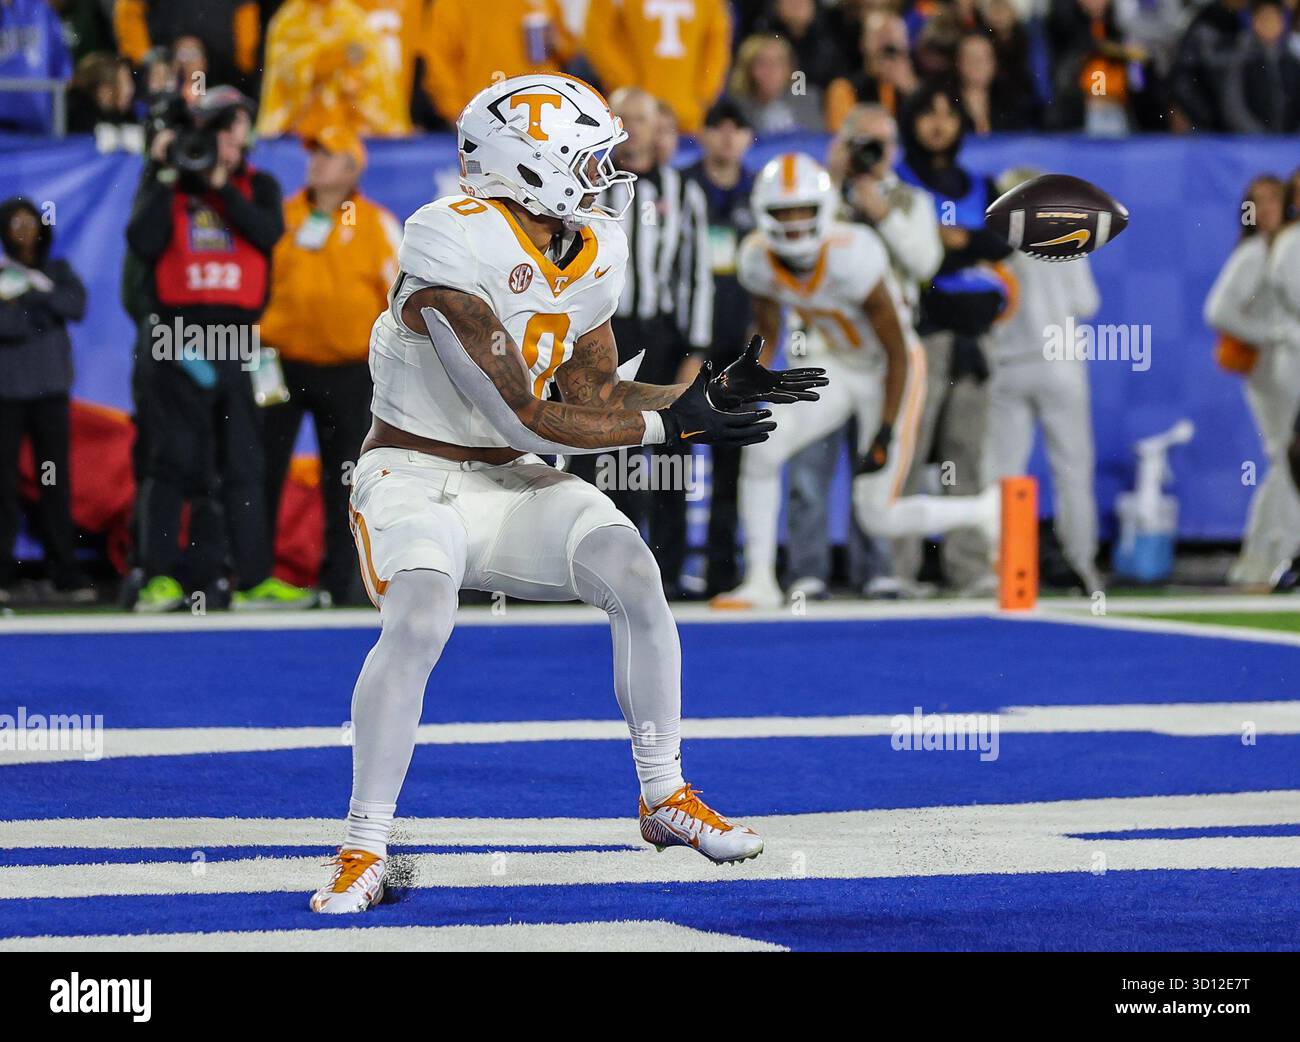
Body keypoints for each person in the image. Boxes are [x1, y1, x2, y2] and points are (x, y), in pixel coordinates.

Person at [307, 74, 826, 913]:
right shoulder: (448, 240)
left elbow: (586, 399)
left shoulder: (591, 246)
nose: (603, 171)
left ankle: (663, 796)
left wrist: (698, 397)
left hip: (511, 475)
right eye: (585, 156)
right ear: (527, 164)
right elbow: (523, 411)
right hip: (413, 475)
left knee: (633, 569)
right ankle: (365, 844)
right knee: (422, 615)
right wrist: (669, 430)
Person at [711, 153, 996, 611]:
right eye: (784, 212)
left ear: (823, 209)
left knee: (877, 515)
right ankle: (760, 581)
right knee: (762, 445)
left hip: (891, 371)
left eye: (803, 209)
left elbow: (898, 349)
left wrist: (883, 431)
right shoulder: (757, 258)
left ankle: (987, 512)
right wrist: (747, 382)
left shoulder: (854, 253)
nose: (794, 221)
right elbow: (768, 329)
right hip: (840, 365)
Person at [125, 87, 312, 611]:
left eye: (237, 131)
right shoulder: (168, 183)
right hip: (176, 335)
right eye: (223, 131)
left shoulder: (259, 185)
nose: (231, 141)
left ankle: (251, 581)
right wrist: (164, 171)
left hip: (239, 339)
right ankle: (157, 581)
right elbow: (142, 241)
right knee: (173, 460)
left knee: (245, 463)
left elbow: (268, 233)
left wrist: (219, 187)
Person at [784, 102, 943, 600]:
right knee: (809, 468)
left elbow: (926, 262)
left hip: (883, 358)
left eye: (882, 143)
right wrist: (834, 183)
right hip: (823, 350)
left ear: (895, 149)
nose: (873, 153)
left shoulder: (909, 201)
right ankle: (807, 571)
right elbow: (796, 250)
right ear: (842, 144)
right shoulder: (818, 195)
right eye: (861, 142)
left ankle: (876, 568)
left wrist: (881, 214)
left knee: (877, 464)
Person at [566, 87, 713, 598]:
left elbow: (697, 275)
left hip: (662, 333)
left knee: (670, 448)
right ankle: (596, 569)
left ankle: (667, 572)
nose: (632, 130)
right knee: (599, 452)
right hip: (601, 332)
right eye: (621, 120)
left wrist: (696, 350)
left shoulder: (682, 190)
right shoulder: (582, 190)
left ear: (658, 128)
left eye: (641, 120)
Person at [259, 126, 401, 606]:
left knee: (347, 476)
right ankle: (254, 576)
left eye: (328, 154)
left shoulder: (376, 223)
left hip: (349, 369)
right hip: (279, 364)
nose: (316, 162)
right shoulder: (280, 217)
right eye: (313, 154)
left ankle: (343, 582)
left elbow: (401, 296)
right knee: (260, 468)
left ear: (353, 168)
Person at [891, 83, 1013, 596]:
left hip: (974, 339)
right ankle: (898, 570)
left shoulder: (981, 183)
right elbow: (917, 255)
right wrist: (963, 249)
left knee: (965, 454)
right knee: (909, 454)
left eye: (948, 114)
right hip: (921, 337)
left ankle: (968, 567)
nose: (939, 123)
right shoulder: (898, 179)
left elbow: (1000, 241)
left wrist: (953, 245)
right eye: (928, 113)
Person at [988, 169, 1103, 595]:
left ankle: (1002, 569)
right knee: (1073, 471)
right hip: (1061, 362)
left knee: (1001, 472)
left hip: (1009, 363)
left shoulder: (996, 242)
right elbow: (1087, 303)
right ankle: (1083, 569)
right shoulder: (1067, 237)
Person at [680, 98, 757, 595]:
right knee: (677, 449)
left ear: (748, 137)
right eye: (718, 127)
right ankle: (667, 563)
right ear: (704, 134)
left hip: (742, 339)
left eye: (737, 128)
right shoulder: (682, 188)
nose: (727, 137)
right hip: (691, 339)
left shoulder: (761, 190)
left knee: (736, 452)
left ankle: (724, 569)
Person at [1210, 172, 1300, 585]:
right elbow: (1218, 312)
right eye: (1257, 202)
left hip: (1279, 363)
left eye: (1273, 200)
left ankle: (1261, 559)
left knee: (1281, 461)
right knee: (1285, 458)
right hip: (1275, 368)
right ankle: (1271, 557)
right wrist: (1272, 336)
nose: (1266, 209)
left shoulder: (1273, 247)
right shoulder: (1255, 252)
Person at [0, 197, 91, 604]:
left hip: (50, 397)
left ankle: (64, 572)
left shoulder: (59, 271)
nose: (22, 231)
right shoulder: (4, 273)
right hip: (7, 398)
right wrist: (40, 308)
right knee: (3, 487)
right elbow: (8, 326)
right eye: (14, 224)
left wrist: (28, 299)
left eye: (28, 222)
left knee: (54, 482)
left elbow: (74, 305)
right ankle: (4, 575)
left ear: (41, 227)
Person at [583, 0, 731, 132]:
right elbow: (598, 39)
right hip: (638, 116)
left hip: (686, 115)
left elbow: (717, 42)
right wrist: (630, 91)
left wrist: (705, 92)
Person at [728, 34, 825, 134]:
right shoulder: (736, 109)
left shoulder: (808, 100)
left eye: (779, 62)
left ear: (789, 68)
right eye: (762, 63)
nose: (771, 70)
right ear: (748, 70)